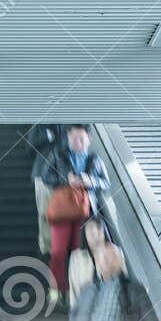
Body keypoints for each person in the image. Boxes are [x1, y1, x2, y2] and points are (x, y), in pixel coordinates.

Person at [44, 125, 110, 308]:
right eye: (74, 138)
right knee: (58, 251)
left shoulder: (94, 159)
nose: (78, 142)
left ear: (89, 139)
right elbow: (46, 176)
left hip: (86, 214)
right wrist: (66, 180)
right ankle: (56, 289)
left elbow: (106, 183)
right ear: (68, 138)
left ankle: (81, 290)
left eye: (81, 139)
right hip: (63, 211)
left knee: (80, 252)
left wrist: (91, 181)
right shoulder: (58, 154)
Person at [66, 218, 123, 307]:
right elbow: (73, 290)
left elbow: (125, 281)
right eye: (91, 233)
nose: (95, 235)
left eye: (99, 230)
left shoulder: (114, 252)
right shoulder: (76, 258)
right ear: (85, 235)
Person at [28, 124, 65, 257]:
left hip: (62, 175)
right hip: (42, 173)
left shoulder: (67, 124)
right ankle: (46, 248)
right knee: (44, 212)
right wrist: (48, 136)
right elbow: (29, 147)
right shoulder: (40, 123)